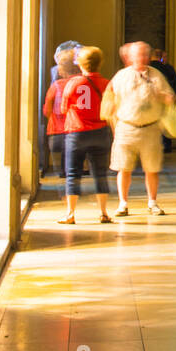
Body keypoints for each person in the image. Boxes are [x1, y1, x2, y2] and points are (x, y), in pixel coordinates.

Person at [103, 41, 175, 216]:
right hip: (126, 128)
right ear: (129, 57)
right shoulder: (120, 76)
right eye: (138, 54)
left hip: (150, 129)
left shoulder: (156, 75)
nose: (142, 58)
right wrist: (113, 122)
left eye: (145, 54)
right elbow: (109, 100)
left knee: (151, 169)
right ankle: (123, 204)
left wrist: (162, 96)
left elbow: (171, 98)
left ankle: (152, 202)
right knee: (124, 168)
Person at [58, 46, 112, 224]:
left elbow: (63, 108)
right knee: (100, 174)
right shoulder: (106, 84)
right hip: (100, 132)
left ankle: (71, 213)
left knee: (73, 173)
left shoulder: (73, 83)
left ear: (80, 64)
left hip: (77, 132)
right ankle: (103, 212)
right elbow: (111, 108)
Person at [41, 43, 79, 179]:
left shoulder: (55, 86)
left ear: (60, 70)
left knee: (59, 173)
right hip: (75, 131)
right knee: (72, 169)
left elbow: (47, 110)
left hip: (56, 131)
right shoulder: (80, 84)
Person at [149, 48, 176, 152]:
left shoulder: (147, 69)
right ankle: (166, 146)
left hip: (151, 105)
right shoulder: (169, 69)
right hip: (167, 104)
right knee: (165, 125)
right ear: (162, 57)